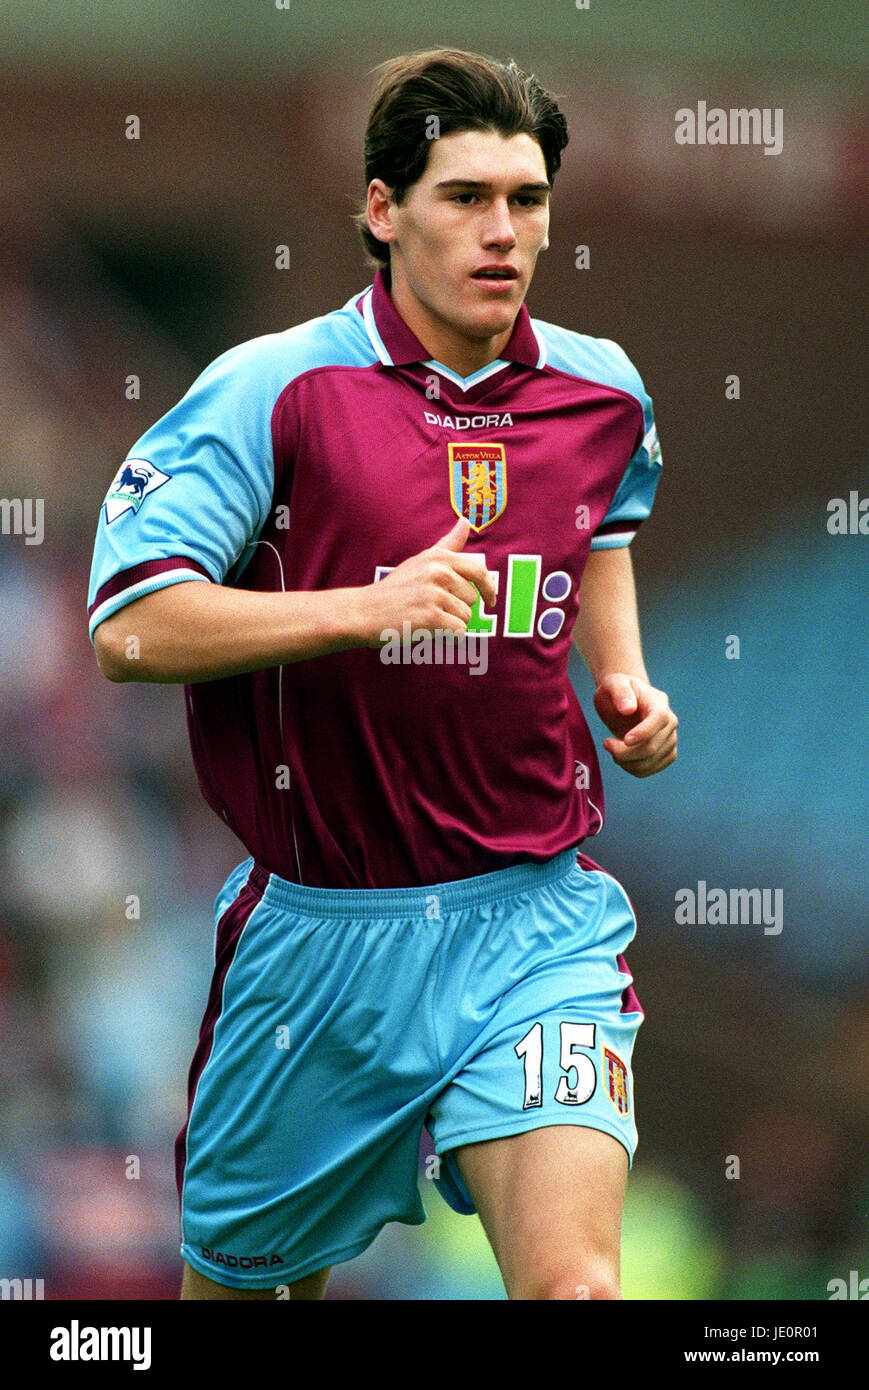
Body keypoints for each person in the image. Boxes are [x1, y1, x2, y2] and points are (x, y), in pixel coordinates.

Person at [87, 47, 677, 1301]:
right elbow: (130, 628)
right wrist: (364, 609)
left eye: (526, 199)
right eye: (464, 196)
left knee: (576, 1290)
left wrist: (621, 680)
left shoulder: (600, 390)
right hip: (318, 940)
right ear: (380, 208)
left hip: (534, 917)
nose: (502, 230)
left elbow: (606, 527)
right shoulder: (272, 390)